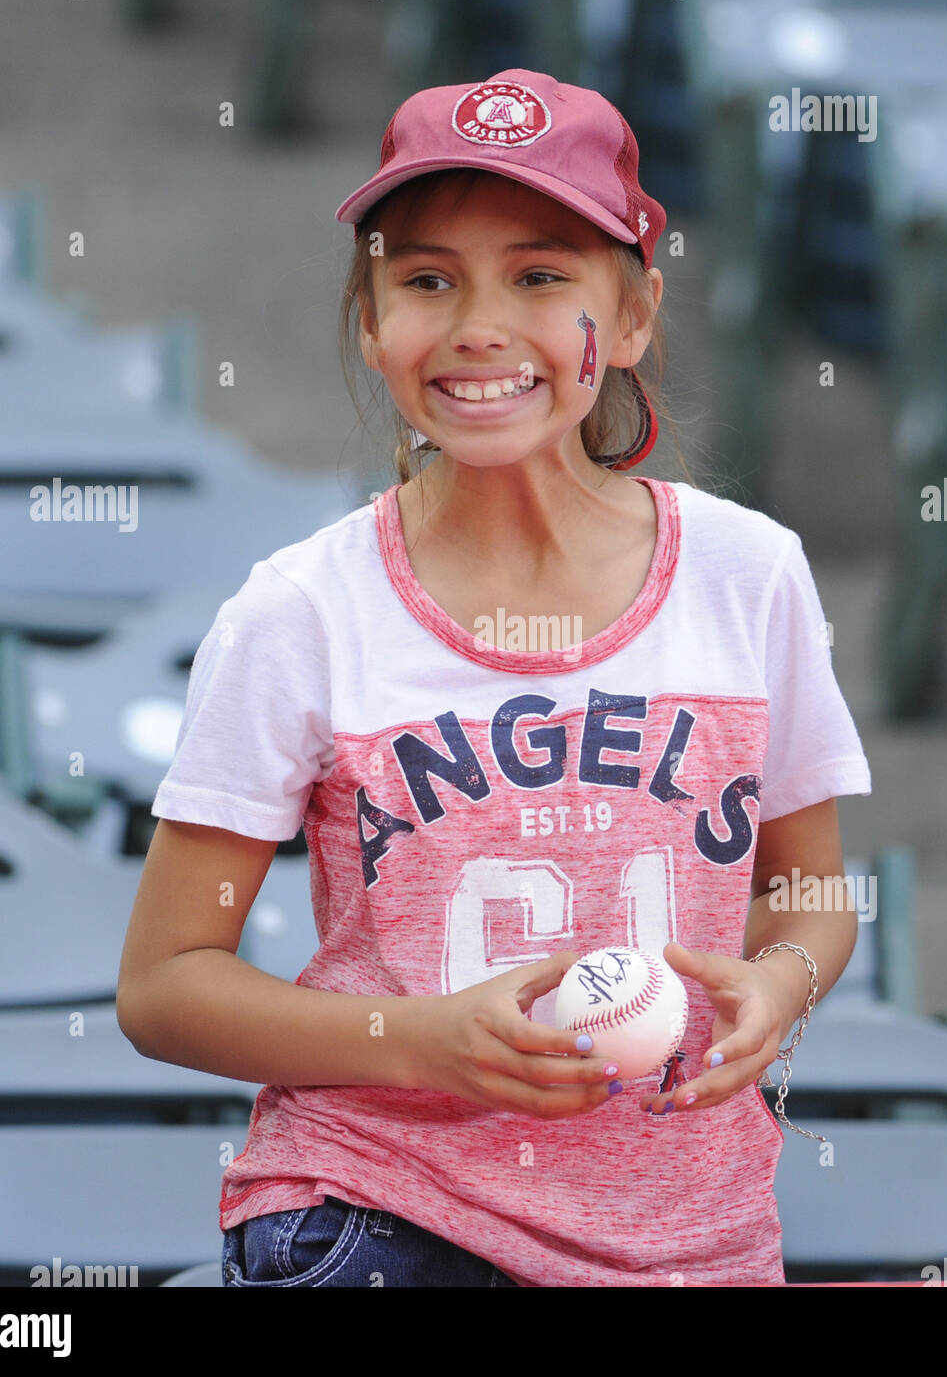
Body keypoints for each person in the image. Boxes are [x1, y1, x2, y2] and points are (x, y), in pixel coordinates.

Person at [117, 67, 872, 1288]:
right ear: (371, 323)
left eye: (538, 277)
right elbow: (163, 986)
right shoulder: (300, 610)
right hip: (381, 1215)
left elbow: (815, 891)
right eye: (424, 280)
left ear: (629, 321)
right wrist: (418, 1041)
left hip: (695, 1237)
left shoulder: (751, 574)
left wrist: (776, 982)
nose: (476, 324)